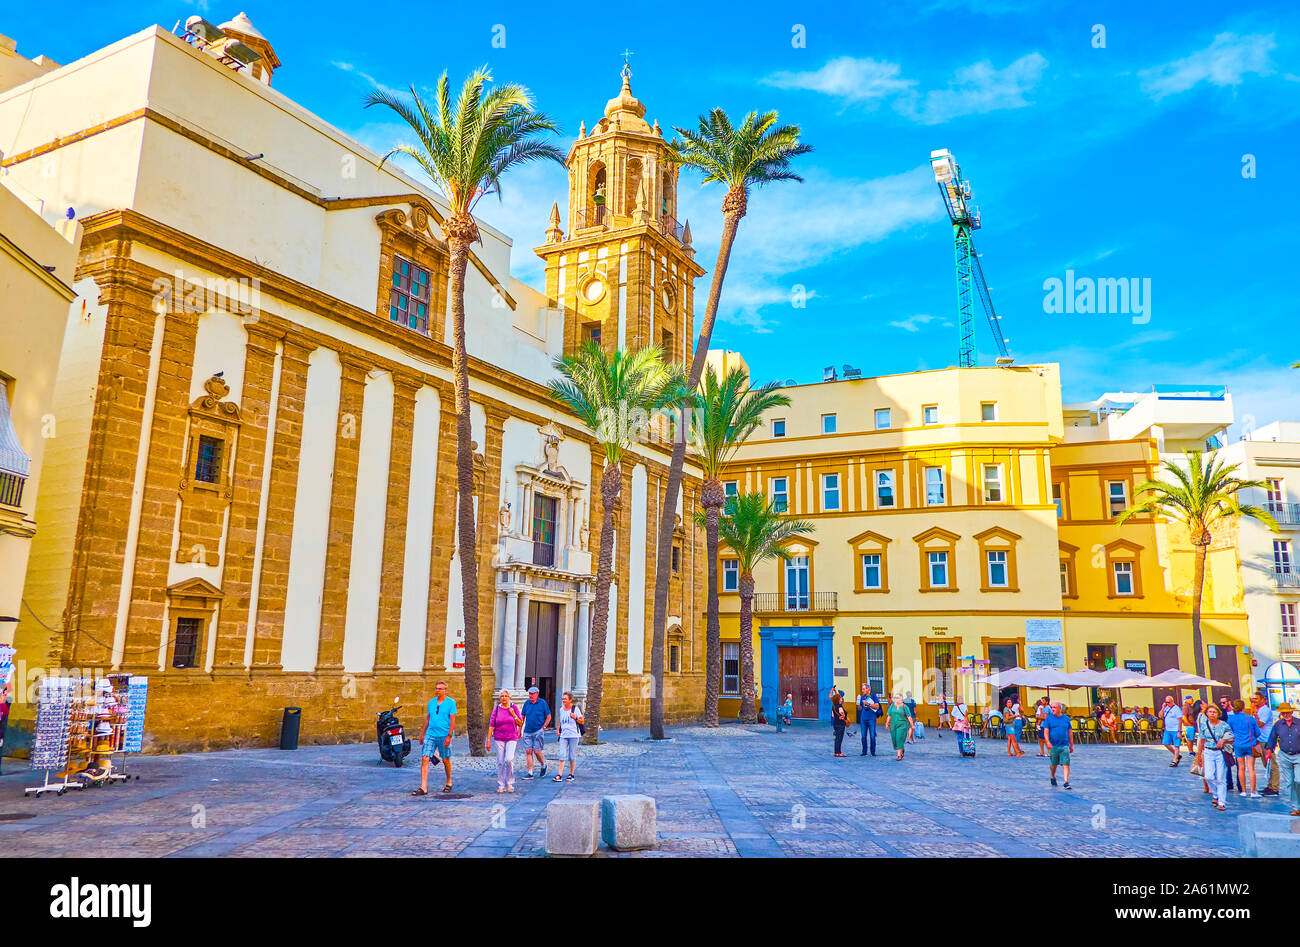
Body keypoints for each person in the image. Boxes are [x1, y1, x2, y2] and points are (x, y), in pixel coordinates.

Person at [414, 681, 456, 795]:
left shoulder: (451, 703)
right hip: (431, 734)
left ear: (445, 690)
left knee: (445, 759)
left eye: (440, 689)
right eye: (436, 688)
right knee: (425, 758)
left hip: (444, 735)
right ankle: (423, 787)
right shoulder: (431, 702)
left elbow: (452, 720)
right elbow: (428, 719)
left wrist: (449, 736)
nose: (437, 690)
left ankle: (449, 782)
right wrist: (422, 733)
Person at [1264, 702, 1300, 816]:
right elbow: (1272, 738)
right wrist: (1269, 751)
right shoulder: (1278, 725)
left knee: (1298, 780)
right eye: (1283, 712)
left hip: (1298, 755)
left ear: (1291, 712)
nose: (1286, 714)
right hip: (1284, 755)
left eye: (1287, 712)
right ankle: (1296, 807)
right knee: (1289, 783)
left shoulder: (1299, 723)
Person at [1195, 702, 1233, 812]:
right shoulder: (1204, 726)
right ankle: (1216, 794)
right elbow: (1201, 740)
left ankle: (1222, 802)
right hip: (1208, 752)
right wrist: (1199, 754)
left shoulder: (1224, 725)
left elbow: (1231, 737)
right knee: (1208, 776)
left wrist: (1223, 740)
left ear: (1218, 713)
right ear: (1206, 713)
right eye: (1210, 712)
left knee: (1221, 777)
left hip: (1220, 752)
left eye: (1214, 712)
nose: (1212, 714)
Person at [485, 688, 523, 793]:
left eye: (506, 696)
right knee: (500, 762)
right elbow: (491, 725)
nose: (504, 698)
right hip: (499, 738)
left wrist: (513, 715)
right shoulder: (497, 709)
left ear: (509, 697)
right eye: (502, 696)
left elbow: (520, 723)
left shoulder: (514, 707)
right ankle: (501, 784)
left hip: (511, 737)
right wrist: (488, 740)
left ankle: (510, 782)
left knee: (509, 759)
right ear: (499, 698)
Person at [1226, 698, 1261, 798]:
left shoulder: (1231, 719)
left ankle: (1243, 791)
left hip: (1237, 745)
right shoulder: (1250, 718)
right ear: (1244, 707)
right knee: (1251, 769)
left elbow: (1229, 733)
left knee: (1241, 768)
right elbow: (1257, 733)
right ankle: (1253, 792)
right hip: (1250, 744)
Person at [518, 686, 552, 780]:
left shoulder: (542, 703)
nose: (531, 696)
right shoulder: (527, 703)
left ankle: (543, 764)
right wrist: (519, 730)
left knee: (537, 751)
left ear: (537, 694)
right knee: (528, 751)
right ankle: (530, 772)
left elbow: (548, 716)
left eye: (533, 694)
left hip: (538, 730)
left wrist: (544, 726)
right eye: (530, 694)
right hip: (527, 731)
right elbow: (522, 717)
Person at [553, 692, 584, 782]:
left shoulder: (575, 709)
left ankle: (571, 773)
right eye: (563, 699)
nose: (563, 700)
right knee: (562, 754)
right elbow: (561, 721)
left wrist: (575, 718)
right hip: (564, 735)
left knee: (571, 755)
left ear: (570, 700)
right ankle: (559, 774)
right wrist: (558, 730)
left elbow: (582, 721)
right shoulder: (561, 709)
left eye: (565, 699)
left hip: (573, 735)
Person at [1043, 701, 1074, 789]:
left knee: (1066, 763)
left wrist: (1071, 745)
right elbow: (1046, 732)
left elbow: (1070, 732)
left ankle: (1066, 782)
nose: (1052, 709)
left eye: (1054, 707)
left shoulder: (1066, 718)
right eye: (1052, 707)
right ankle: (1052, 776)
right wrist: (1048, 742)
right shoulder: (1049, 718)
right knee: (1054, 764)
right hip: (1053, 745)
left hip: (1064, 745)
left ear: (1060, 709)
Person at [1254, 692, 1278, 797]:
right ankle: (1270, 785)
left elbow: (1260, 724)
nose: (1255, 701)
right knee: (1266, 764)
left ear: (1263, 700)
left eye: (1257, 699)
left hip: (1267, 740)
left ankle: (1275, 787)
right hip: (1261, 740)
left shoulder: (1265, 710)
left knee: (1272, 764)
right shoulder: (1259, 710)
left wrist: (1255, 715)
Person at [886, 693, 914, 761]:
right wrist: (887, 723)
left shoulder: (905, 707)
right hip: (893, 725)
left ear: (901, 699)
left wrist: (912, 725)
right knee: (894, 740)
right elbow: (889, 715)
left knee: (899, 738)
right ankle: (901, 749)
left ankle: (899, 755)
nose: (896, 699)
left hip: (902, 725)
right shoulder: (892, 706)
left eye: (898, 698)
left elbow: (909, 716)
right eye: (895, 698)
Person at [856, 683, 881, 757]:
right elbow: (860, 708)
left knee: (872, 736)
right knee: (863, 736)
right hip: (863, 719)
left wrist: (868, 704)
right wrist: (857, 703)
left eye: (864, 689)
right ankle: (864, 751)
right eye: (862, 689)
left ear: (868, 689)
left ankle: (873, 752)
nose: (862, 690)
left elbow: (877, 707)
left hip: (871, 719)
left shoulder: (873, 696)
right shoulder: (862, 697)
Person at [1159, 695, 1184, 767]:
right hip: (1168, 729)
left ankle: (1175, 760)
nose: (1167, 703)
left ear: (1172, 701)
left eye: (1168, 702)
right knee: (1165, 743)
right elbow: (1160, 716)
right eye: (1166, 702)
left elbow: (1180, 720)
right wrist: (1163, 707)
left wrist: (1179, 731)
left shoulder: (1177, 709)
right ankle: (1177, 755)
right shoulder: (1166, 708)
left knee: (1176, 746)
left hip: (1176, 729)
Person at [830, 689, 848, 758]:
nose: (841, 699)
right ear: (838, 699)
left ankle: (836, 752)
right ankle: (839, 752)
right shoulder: (840, 706)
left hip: (835, 723)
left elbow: (833, 715)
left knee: (837, 738)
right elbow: (842, 713)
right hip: (840, 724)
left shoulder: (834, 706)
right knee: (840, 738)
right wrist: (843, 716)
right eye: (840, 698)